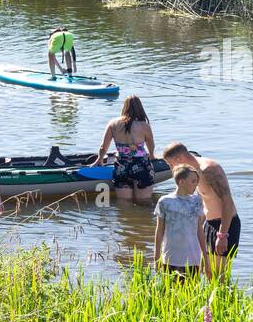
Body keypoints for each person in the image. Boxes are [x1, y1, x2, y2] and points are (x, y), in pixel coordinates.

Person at [161, 142, 239, 276]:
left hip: (225, 225)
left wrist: (223, 235)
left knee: (219, 276)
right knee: (206, 272)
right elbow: (203, 203)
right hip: (209, 224)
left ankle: (224, 297)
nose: (171, 168)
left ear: (179, 159)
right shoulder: (192, 173)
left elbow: (228, 202)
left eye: (171, 164)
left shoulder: (209, 169)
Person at [94, 95, 156, 204]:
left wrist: (99, 159)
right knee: (144, 202)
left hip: (121, 166)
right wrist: (151, 155)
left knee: (124, 204)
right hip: (141, 165)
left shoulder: (113, 123)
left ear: (124, 107)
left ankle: (125, 220)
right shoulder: (144, 126)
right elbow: (151, 144)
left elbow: (103, 147)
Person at [153, 165, 208, 277]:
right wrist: (156, 257)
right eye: (193, 181)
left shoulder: (197, 201)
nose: (196, 185)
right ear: (181, 182)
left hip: (193, 258)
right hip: (170, 257)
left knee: (191, 292)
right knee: (170, 292)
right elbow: (159, 231)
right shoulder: (165, 201)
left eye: (197, 181)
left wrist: (205, 258)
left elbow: (199, 231)